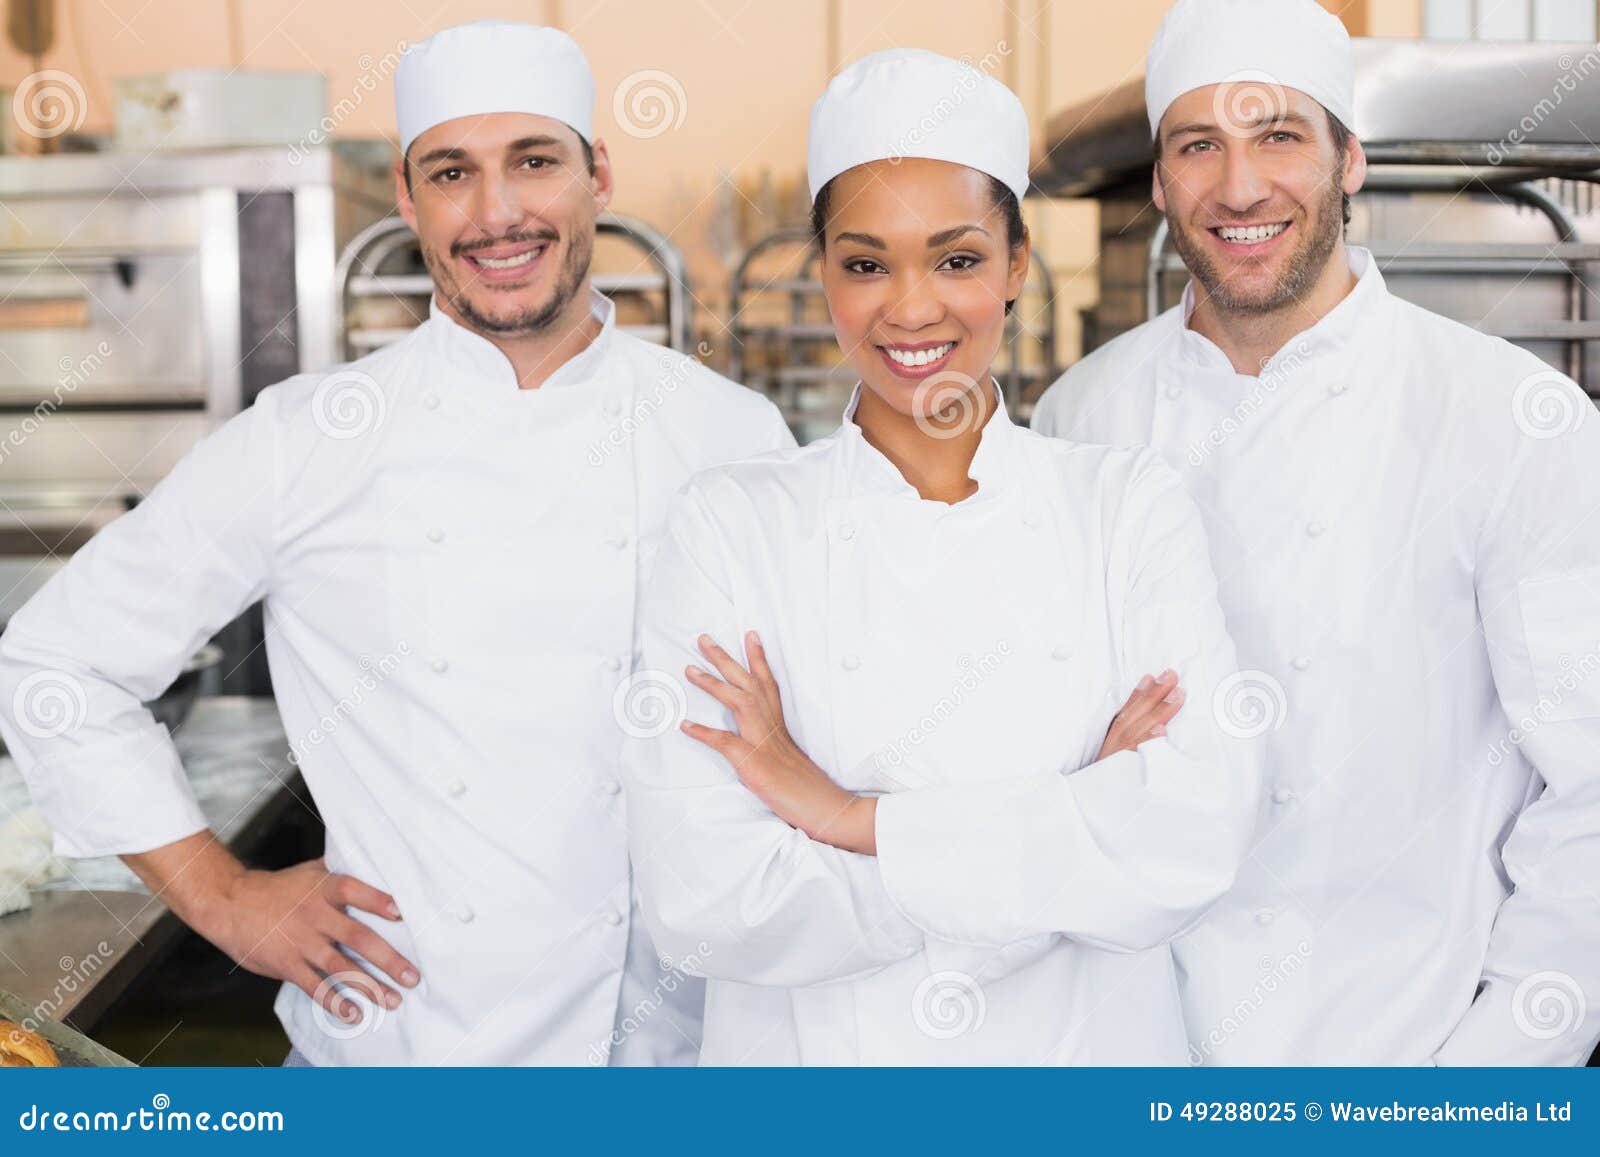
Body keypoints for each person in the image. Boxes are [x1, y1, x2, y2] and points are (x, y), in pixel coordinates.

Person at [0, 20, 793, 1066]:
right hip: (401, 1054)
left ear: (598, 174)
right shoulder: (310, 438)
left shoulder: (732, 435)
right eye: (452, 173)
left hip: (672, 1058)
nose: (497, 212)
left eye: (535, 161)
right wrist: (224, 893)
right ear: (410, 201)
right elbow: (57, 658)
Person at [621, 49, 1262, 1065]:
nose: (911, 306)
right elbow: (703, 904)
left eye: (956, 258)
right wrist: (1071, 821)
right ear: (823, 273)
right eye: (866, 262)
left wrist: (842, 817)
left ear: (1014, 266)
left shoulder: (1127, 506)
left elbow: (1191, 842)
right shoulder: (728, 524)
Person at [1033, 0, 1600, 1065]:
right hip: (1133, 1057)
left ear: (1350, 160)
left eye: (1279, 136)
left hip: (1407, 1051)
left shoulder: (1509, 419)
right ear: (1158, 184)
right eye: (1198, 146)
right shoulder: (1080, 414)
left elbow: (1590, 786)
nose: (1239, 188)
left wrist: (1496, 1065)